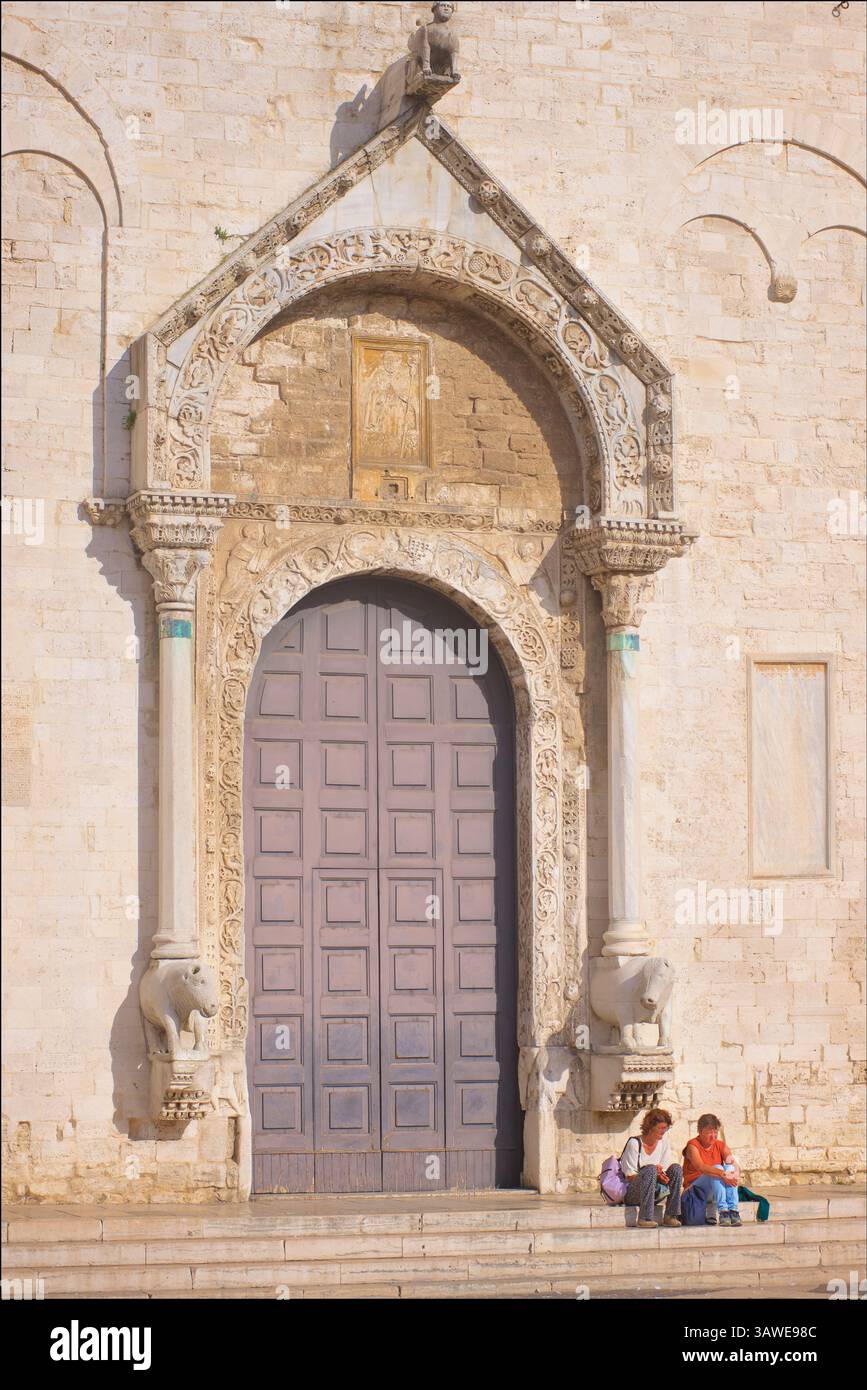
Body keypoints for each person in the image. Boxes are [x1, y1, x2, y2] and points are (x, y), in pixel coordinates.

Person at [621, 1107, 683, 1229]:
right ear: (650, 1127)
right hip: (634, 1193)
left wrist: (661, 1176)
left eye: (665, 1128)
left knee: (676, 1169)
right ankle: (645, 1218)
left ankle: (670, 1216)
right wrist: (651, 1172)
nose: (663, 1131)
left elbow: (663, 1168)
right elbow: (629, 1177)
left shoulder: (663, 1141)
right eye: (660, 1128)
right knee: (650, 1169)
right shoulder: (634, 1143)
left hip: (654, 1191)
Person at [682, 1113, 742, 1226]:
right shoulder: (693, 1146)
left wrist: (734, 1172)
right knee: (718, 1168)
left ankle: (733, 1211)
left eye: (715, 1132)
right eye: (709, 1132)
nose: (713, 1136)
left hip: (714, 1188)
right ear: (700, 1131)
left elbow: (733, 1163)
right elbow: (701, 1167)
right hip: (695, 1189)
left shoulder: (720, 1145)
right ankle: (723, 1211)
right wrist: (722, 1173)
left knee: (729, 1168)